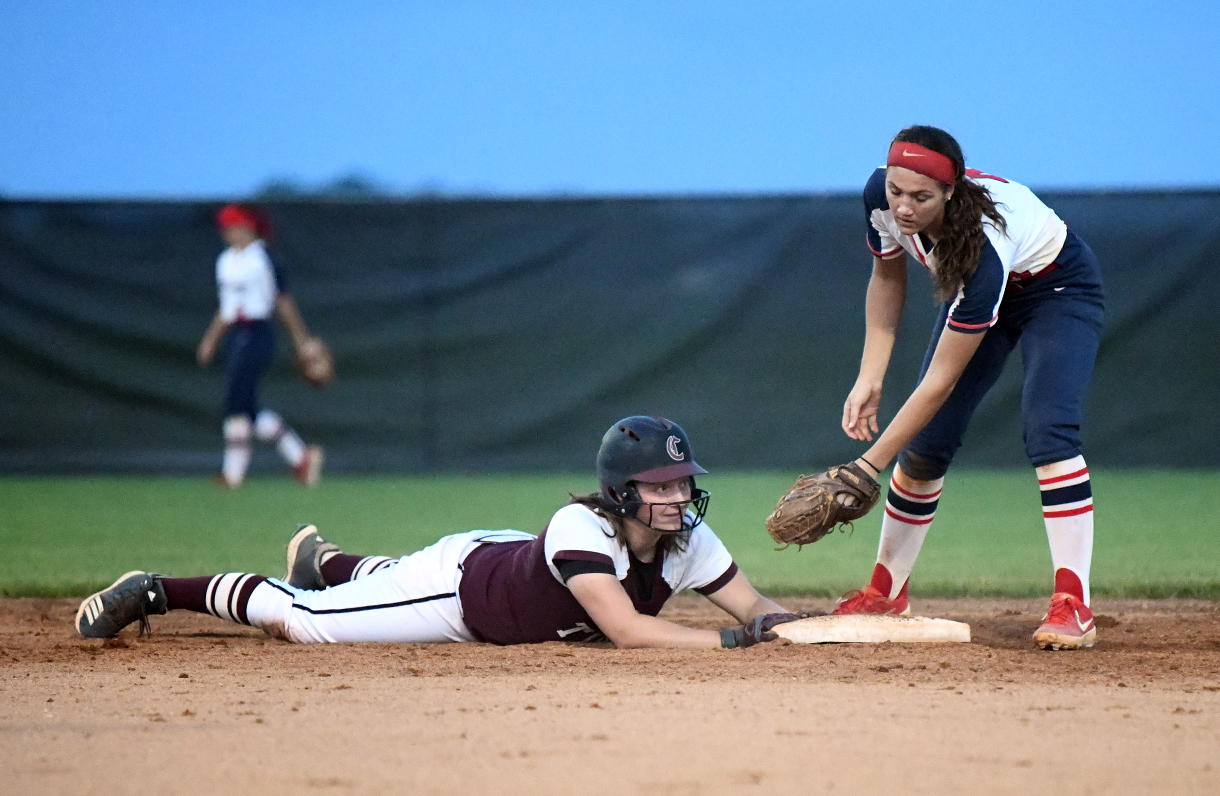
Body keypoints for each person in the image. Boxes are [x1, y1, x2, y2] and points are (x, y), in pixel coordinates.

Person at [74, 416, 800, 650]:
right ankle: (158, 590)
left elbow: (757, 609)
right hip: (458, 595)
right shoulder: (585, 526)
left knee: (381, 578)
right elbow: (627, 629)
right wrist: (731, 642)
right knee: (302, 621)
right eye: (662, 486)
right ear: (621, 492)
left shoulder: (685, 540)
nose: (679, 495)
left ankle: (325, 559)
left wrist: (809, 630)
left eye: (682, 483)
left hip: (503, 556)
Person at [832, 125, 1105, 651]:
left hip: (1057, 288)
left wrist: (865, 467)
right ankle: (887, 592)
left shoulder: (980, 245)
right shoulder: (879, 199)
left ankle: (1074, 603)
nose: (904, 207)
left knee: (1050, 431)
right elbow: (888, 278)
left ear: (951, 191)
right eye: (896, 190)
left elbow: (940, 379)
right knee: (927, 446)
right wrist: (871, 375)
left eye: (921, 196)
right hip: (981, 292)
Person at [197, 203, 323, 488]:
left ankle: (233, 475)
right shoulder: (226, 260)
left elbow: (282, 301)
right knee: (245, 408)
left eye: (231, 226)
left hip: (258, 332)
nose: (226, 232)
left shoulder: (263, 258)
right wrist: (211, 339)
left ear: (246, 227)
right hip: (237, 332)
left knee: (237, 404)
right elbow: (226, 307)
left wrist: (302, 340)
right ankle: (300, 456)